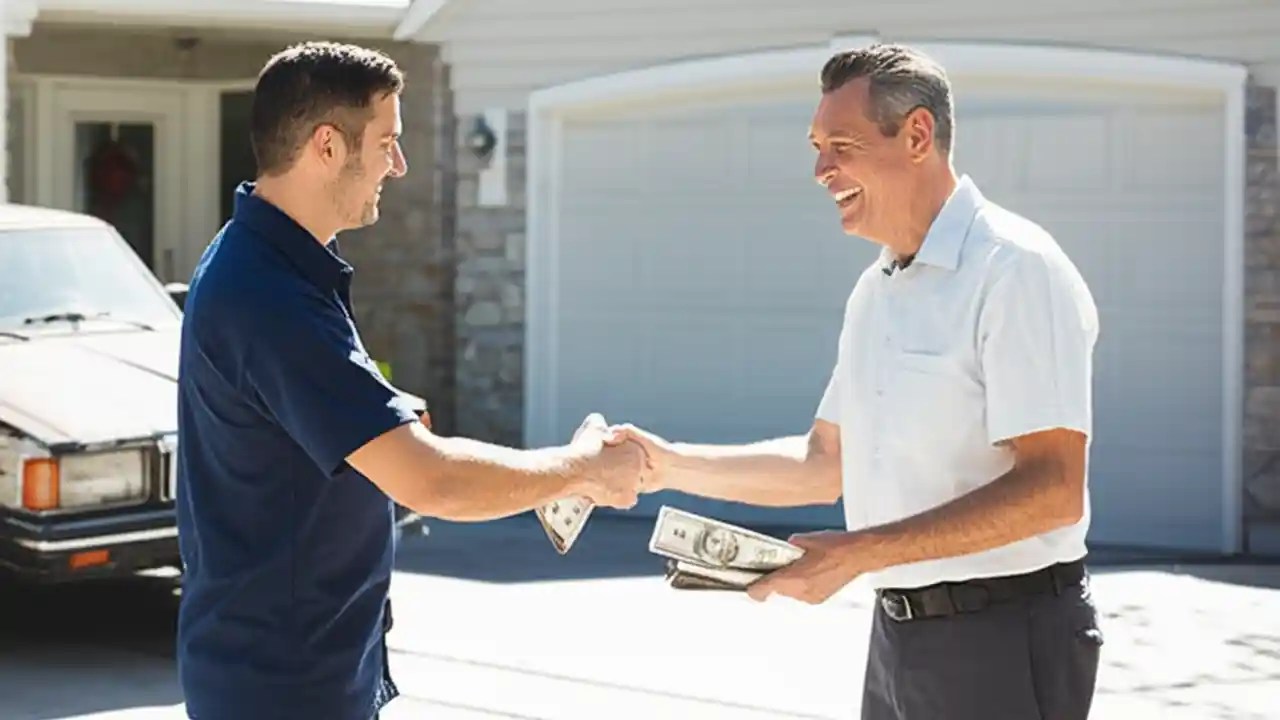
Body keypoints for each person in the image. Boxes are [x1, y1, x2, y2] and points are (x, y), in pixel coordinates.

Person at [614, 43, 1102, 720]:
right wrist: (664, 464)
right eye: (816, 146)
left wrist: (858, 553)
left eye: (841, 144)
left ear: (917, 135)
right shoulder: (878, 289)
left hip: (1004, 637)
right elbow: (825, 464)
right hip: (899, 637)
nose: (820, 169)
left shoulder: (1016, 271)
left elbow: (1053, 490)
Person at [175, 42, 646, 720]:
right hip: (282, 689)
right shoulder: (268, 295)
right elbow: (432, 479)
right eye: (388, 142)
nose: (399, 165)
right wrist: (579, 471)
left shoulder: (273, 261)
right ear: (328, 147)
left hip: (296, 672)